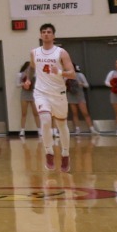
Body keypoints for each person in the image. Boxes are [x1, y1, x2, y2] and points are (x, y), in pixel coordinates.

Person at [30, 23, 78, 173]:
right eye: (43, 32)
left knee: (62, 125)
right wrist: (27, 79)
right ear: (40, 35)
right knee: (45, 120)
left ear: (54, 35)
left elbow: (72, 74)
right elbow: (32, 68)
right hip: (41, 92)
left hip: (58, 94)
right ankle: (49, 152)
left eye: (49, 32)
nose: (46, 34)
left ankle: (65, 154)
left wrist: (60, 72)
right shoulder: (34, 52)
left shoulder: (61, 52)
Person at [66, 63, 95, 138]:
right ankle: (77, 129)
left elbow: (87, 85)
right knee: (74, 113)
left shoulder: (80, 75)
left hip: (80, 96)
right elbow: (63, 85)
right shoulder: (66, 76)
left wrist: (80, 83)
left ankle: (92, 129)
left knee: (85, 113)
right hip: (71, 96)